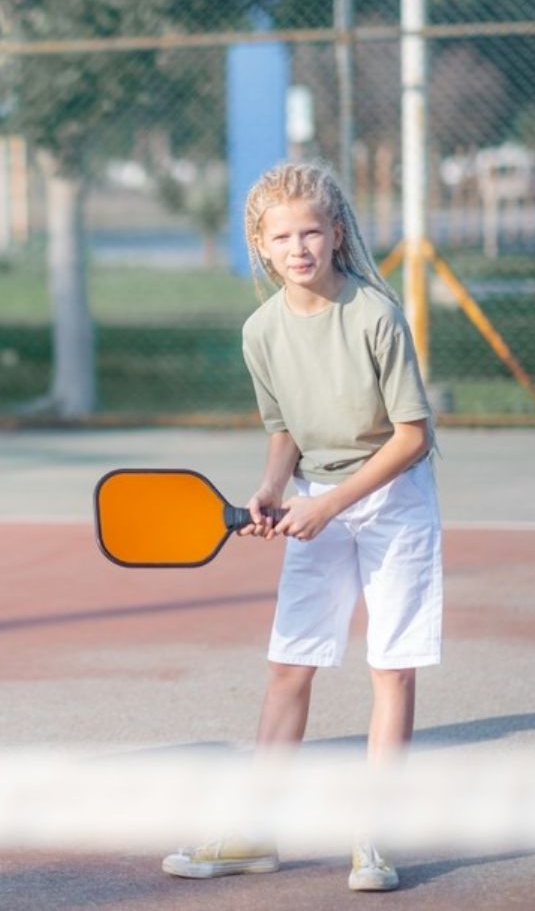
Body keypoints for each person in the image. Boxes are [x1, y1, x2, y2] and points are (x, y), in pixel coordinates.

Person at [161, 161, 441, 893]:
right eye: (282, 235)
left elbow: (412, 436)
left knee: (393, 665)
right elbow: (284, 428)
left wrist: (330, 502)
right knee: (290, 665)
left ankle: (375, 836)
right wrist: (270, 487)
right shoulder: (261, 332)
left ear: (337, 233)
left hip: (392, 496)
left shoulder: (375, 315)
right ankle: (257, 831)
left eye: (312, 231)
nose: (299, 247)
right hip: (319, 498)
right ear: (260, 245)